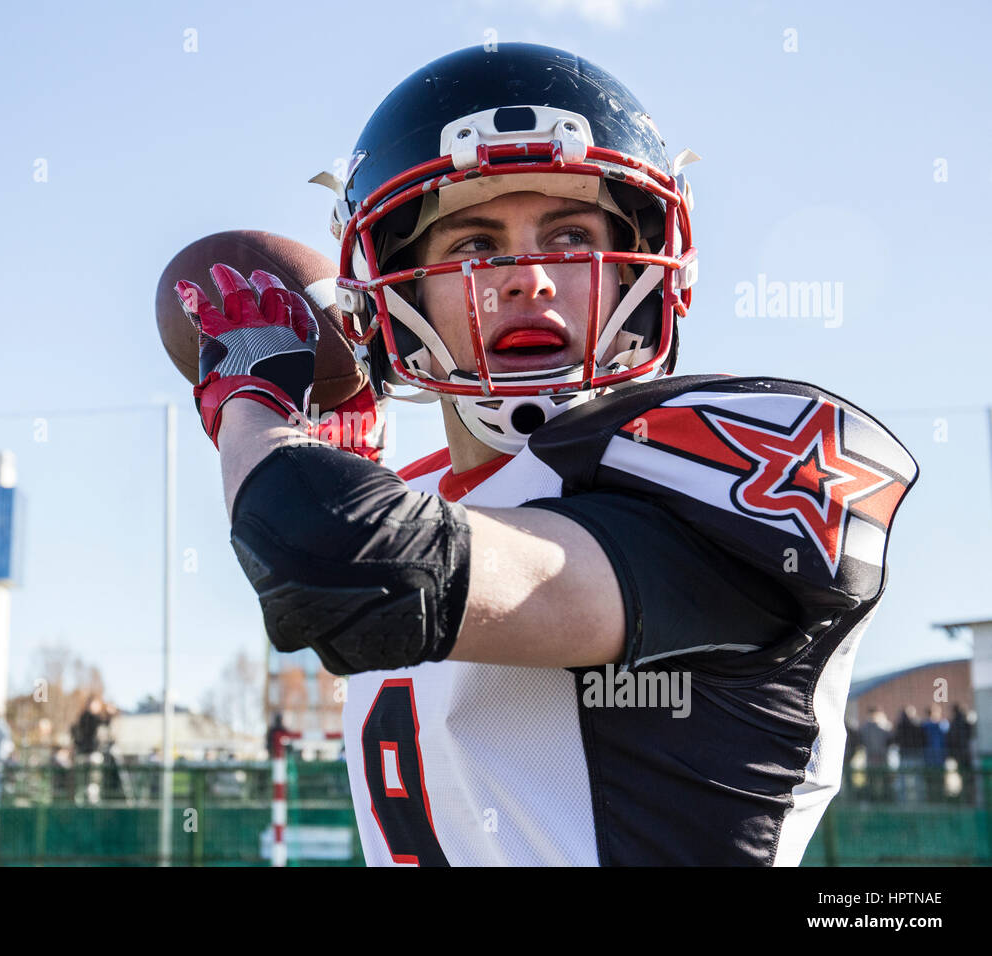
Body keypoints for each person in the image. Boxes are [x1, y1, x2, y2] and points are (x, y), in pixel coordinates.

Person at [180, 43, 920, 866]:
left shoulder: (745, 458)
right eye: (471, 245)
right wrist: (324, 457)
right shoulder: (415, 495)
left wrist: (251, 395)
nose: (529, 276)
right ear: (394, 292)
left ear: (650, 269)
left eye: (569, 234)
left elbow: (353, 567)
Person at [859, 707, 894, 802]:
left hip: (882, 758)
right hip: (873, 758)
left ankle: (885, 800)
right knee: (872, 781)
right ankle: (874, 800)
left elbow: (891, 740)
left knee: (884, 780)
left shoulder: (885, 726)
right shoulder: (866, 727)